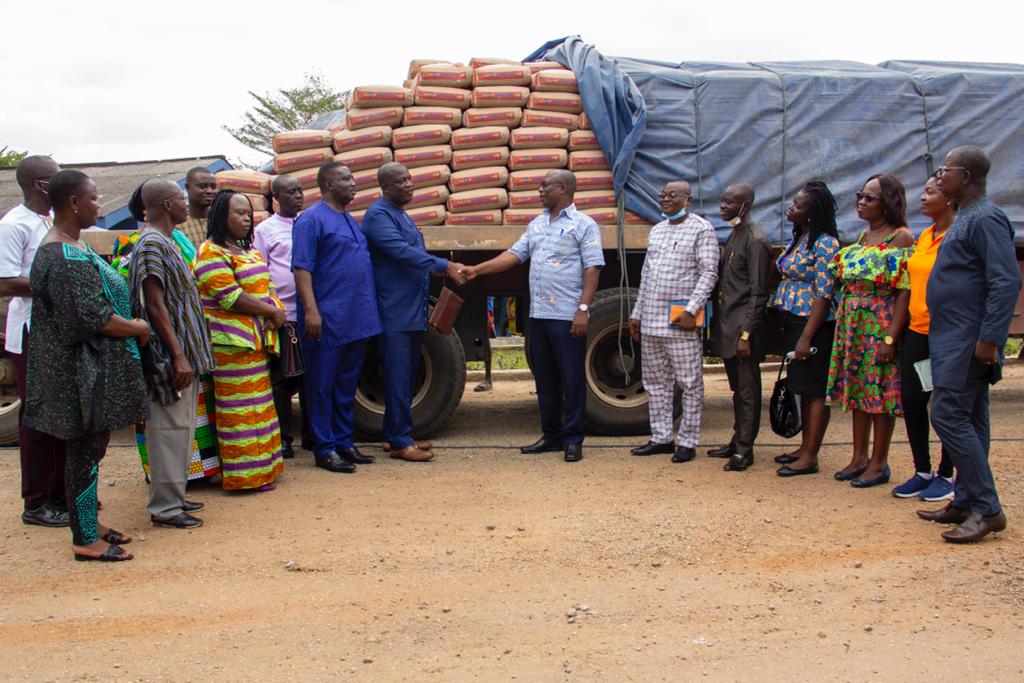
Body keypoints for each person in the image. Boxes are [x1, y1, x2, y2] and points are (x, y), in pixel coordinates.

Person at [23, 170, 150, 561]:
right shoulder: (62, 256)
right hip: (80, 374)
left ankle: (89, 522)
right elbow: (91, 318)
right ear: (73, 202)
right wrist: (138, 328)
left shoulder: (73, 245)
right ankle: (85, 538)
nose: (99, 204)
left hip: (90, 370)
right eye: (94, 198)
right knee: (83, 452)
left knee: (91, 451)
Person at [917, 146, 1021, 543]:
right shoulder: (967, 216)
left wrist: (990, 339)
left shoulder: (987, 218)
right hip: (952, 335)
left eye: (946, 170)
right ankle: (964, 500)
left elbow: (1005, 281)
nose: (939, 176)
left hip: (967, 338)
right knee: (972, 417)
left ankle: (988, 509)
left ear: (966, 176)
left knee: (946, 413)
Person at [465, 170, 603, 462]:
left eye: (545, 185)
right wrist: (477, 270)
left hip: (566, 315)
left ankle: (573, 439)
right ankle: (551, 436)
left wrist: (582, 310)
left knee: (571, 379)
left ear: (562, 188)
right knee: (545, 378)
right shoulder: (537, 224)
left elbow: (592, 268)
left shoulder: (584, 225)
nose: (539, 190)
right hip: (539, 315)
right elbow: (514, 255)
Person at [360, 162, 467, 463]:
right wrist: (444, 265)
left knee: (405, 376)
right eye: (400, 181)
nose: (408, 184)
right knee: (397, 375)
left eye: (409, 179)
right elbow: (400, 251)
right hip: (393, 311)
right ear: (384, 186)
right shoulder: (378, 216)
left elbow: (412, 255)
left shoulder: (401, 215)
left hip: (411, 310)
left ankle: (396, 433)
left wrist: (434, 269)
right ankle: (399, 442)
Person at [114, 186, 221, 483]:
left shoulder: (169, 240)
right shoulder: (151, 244)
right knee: (168, 430)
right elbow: (154, 304)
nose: (186, 204)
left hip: (184, 351)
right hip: (170, 356)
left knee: (182, 428)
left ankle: (176, 495)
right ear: (166, 204)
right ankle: (166, 502)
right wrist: (178, 356)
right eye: (181, 199)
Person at [293, 163, 382, 473]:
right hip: (327, 319)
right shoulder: (311, 220)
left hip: (354, 319)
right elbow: (301, 267)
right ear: (329, 184)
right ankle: (324, 448)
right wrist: (311, 310)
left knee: (346, 384)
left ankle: (344, 442)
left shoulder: (348, 219)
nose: (354, 183)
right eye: (346, 179)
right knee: (321, 386)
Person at [195, 190, 286, 491]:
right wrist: (271, 311)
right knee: (240, 412)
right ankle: (245, 477)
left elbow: (268, 284)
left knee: (261, 408)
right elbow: (230, 297)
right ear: (222, 215)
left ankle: (265, 469)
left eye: (249, 213)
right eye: (239, 213)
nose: (247, 219)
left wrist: (275, 307)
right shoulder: (210, 253)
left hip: (256, 342)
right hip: (231, 345)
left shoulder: (248, 250)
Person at [827, 173, 914, 488]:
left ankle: (879, 463)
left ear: (888, 202)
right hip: (853, 325)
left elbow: (904, 291)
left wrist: (890, 336)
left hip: (879, 324)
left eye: (869, 198)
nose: (861, 202)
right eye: (860, 196)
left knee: (880, 392)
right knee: (857, 389)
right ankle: (858, 457)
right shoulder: (865, 236)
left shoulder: (901, 238)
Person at [627, 181, 718, 464]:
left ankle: (688, 442)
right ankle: (661, 438)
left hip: (681, 320)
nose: (665, 199)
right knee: (656, 383)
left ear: (687, 200)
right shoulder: (657, 230)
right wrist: (637, 313)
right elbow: (646, 275)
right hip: (651, 320)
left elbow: (709, 273)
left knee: (689, 383)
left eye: (672, 195)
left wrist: (692, 310)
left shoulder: (702, 229)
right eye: (663, 195)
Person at [0, 155, 68, 527]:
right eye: (57, 177)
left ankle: (61, 493)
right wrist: (59, 282)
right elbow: (6, 282)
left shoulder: (51, 220)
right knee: (39, 416)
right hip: (31, 331)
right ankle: (37, 501)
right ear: (41, 184)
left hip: (58, 331)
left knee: (63, 414)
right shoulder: (14, 225)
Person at [890, 175, 957, 501]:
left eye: (930, 192)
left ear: (950, 198)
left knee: (947, 405)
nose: (923, 196)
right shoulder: (926, 235)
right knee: (913, 400)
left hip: (948, 333)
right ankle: (922, 471)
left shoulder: (957, 236)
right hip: (918, 330)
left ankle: (946, 474)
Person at [771, 181, 841, 477]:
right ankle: (804, 447)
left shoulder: (826, 244)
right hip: (794, 320)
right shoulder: (801, 237)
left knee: (815, 390)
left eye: (798, 206)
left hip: (812, 324)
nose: (791, 208)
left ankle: (811, 456)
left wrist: (807, 337)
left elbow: (824, 294)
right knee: (803, 387)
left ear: (812, 213)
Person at [710, 184, 772, 472]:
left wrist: (746, 335)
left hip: (743, 330)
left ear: (745, 204)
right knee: (737, 389)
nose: (723, 206)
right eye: (722, 201)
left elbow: (759, 293)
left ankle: (745, 450)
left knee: (748, 391)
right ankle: (737, 440)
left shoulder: (756, 240)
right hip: (728, 326)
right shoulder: (735, 234)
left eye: (729, 202)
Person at [254, 174, 311, 460]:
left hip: (310, 314)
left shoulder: (309, 224)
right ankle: (283, 439)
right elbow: (260, 272)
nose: (298, 196)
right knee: (283, 379)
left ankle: (312, 437)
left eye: (300, 190)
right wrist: (270, 311)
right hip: (283, 316)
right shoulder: (265, 230)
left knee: (311, 379)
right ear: (275, 198)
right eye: (290, 192)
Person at [179, 167, 217, 248]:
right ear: (187, 187)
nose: (209, 191)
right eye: (202, 186)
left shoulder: (221, 220)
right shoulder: (177, 224)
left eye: (213, 187)